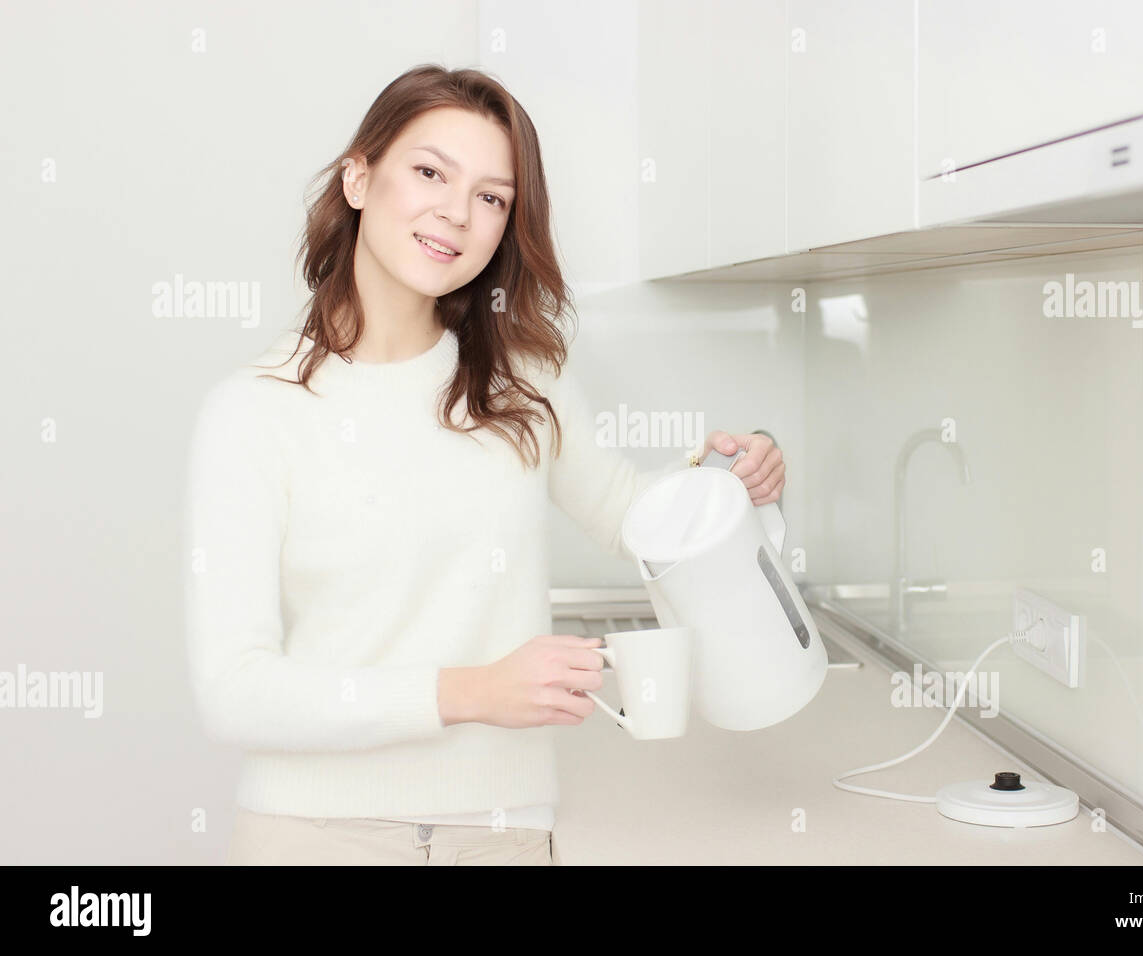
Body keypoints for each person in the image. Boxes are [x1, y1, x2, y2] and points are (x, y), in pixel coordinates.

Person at [183, 64, 786, 866]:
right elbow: (234, 691)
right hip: (312, 834)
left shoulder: (523, 383)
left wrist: (732, 490)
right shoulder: (251, 412)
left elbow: (630, 518)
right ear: (359, 177)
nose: (456, 214)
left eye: (492, 197)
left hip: (502, 827)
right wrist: (471, 692)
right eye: (430, 172)